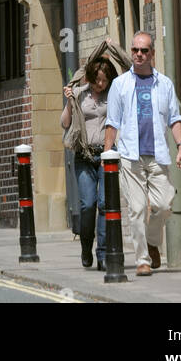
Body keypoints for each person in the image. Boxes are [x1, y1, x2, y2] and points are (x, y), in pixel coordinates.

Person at [103, 30, 181, 276]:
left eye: (144, 51)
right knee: (137, 209)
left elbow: (175, 118)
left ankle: (152, 242)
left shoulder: (165, 83)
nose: (139, 55)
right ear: (131, 52)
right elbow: (112, 122)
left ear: (152, 53)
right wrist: (107, 154)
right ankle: (142, 260)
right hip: (130, 157)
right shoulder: (119, 85)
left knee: (164, 204)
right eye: (135, 50)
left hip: (158, 154)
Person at [61, 56, 113, 269]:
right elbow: (64, 123)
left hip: (107, 155)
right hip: (84, 155)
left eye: (105, 80)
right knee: (88, 204)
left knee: (104, 204)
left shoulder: (113, 94)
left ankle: (102, 254)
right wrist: (70, 103)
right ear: (90, 77)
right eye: (98, 80)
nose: (101, 84)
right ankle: (85, 246)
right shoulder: (80, 94)